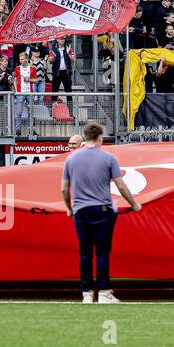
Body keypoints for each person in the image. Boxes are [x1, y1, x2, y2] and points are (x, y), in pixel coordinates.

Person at [59, 122, 141, 304]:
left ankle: (86, 293)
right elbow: (121, 185)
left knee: (85, 253)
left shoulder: (71, 160)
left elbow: (64, 189)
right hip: (102, 210)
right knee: (102, 253)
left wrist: (69, 208)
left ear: (84, 138)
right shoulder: (108, 158)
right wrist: (134, 204)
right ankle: (104, 292)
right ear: (100, 138)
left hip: (80, 211)